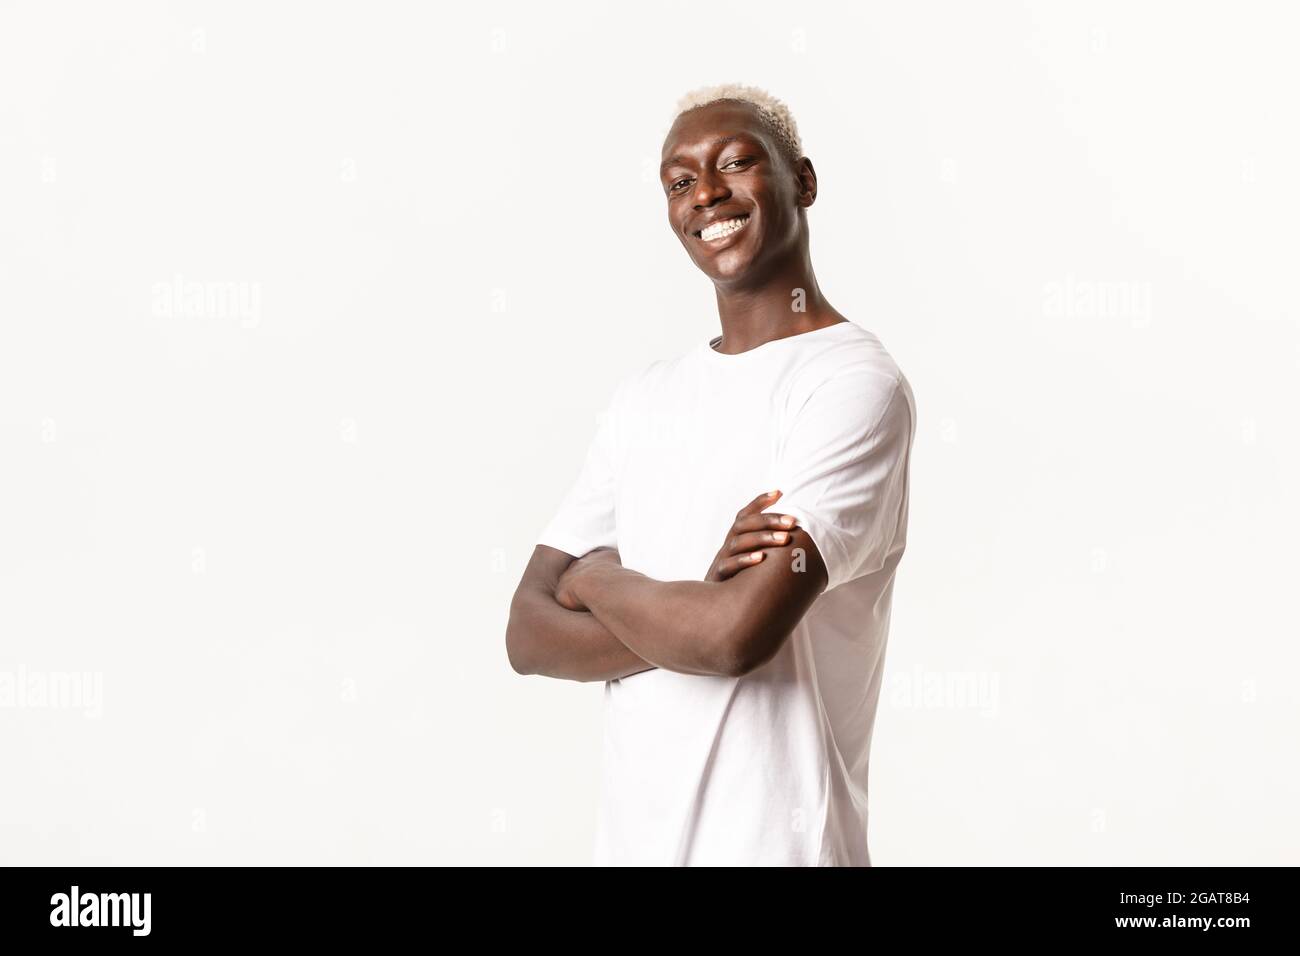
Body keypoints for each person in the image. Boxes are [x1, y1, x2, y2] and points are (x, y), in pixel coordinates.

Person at [506, 84, 917, 866]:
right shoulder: (645, 398)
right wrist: (688, 603)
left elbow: (733, 638)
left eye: (736, 162)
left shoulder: (850, 384)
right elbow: (526, 634)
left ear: (803, 181)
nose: (707, 194)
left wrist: (598, 583)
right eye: (680, 180)